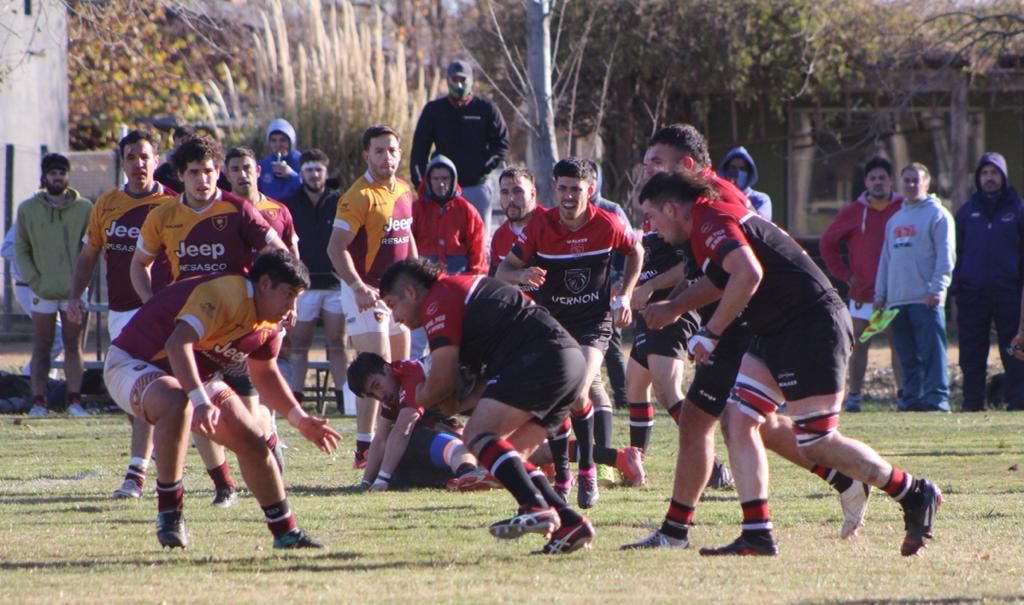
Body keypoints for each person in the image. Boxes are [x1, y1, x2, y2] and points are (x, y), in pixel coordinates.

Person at [635, 169, 942, 557]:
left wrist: (710, 332)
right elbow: (719, 278)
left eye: (653, 216)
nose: (651, 226)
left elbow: (748, 273)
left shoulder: (710, 218)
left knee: (817, 442)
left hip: (812, 325)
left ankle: (913, 492)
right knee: (738, 418)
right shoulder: (704, 222)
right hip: (777, 330)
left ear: (672, 207)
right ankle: (757, 533)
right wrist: (675, 306)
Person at [621, 124, 871, 550]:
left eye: (656, 163)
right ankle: (841, 481)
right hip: (746, 318)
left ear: (685, 165)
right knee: (758, 425)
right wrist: (673, 304)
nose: (648, 172)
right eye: (646, 164)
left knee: (707, 421)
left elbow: (736, 272)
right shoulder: (684, 201)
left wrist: (702, 325)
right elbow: (708, 268)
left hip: (743, 321)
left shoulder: (712, 201)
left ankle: (679, 531)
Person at [103, 249, 340, 549]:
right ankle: (170, 512)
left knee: (253, 440)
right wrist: (200, 400)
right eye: (289, 294)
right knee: (178, 402)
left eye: (298, 298)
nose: (293, 307)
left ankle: (285, 531)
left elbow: (264, 374)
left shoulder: (268, 325)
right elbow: (178, 344)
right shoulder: (226, 292)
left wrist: (299, 418)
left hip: (191, 376)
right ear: (264, 284)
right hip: (132, 362)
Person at [380, 258, 595, 554]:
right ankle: (570, 523)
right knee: (511, 454)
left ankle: (533, 506)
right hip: (567, 360)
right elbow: (476, 389)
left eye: (392, 305)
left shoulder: (438, 298)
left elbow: (440, 383)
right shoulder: (460, 293)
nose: (395, 317)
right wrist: (451, 401)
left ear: (410, 291)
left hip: (541, 357)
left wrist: (419, 396)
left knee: (477, 437)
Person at [132, 135, 288, 506]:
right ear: (181, 176)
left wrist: (285, 294)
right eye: (194, 173)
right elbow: (139, 264)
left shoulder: (237, 209)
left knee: (248, 418)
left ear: (219, 173)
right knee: (196, 402)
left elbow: (277, 251)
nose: (203, 180)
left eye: (209, 172)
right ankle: (224, 485)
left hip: (238, 327)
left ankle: (266, 426)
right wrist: (152, 303)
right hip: (190, 329)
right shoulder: (163, 215)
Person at [496, 157, 645, 508]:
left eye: (575, 189)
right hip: (552, 325)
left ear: (589, 191)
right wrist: (522, 276)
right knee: (564, 398)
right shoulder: (539, 227)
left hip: (593, 325)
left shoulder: (607, 224)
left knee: (578, 390)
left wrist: (625, 294)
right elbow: (503, 269)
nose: (567, 196)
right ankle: (563, 474)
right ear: (553, 189)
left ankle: (588, 470)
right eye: (561, 188)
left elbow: (636, 249)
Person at [66, 130, 177, 498]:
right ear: (123, 162)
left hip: (158, 312)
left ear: (156, 161)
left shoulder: (173, 204)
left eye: (145, 156)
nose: (139, 163)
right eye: (131, 157)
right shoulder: (106, 205)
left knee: (148, 390)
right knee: (134, 398)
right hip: (120, 311)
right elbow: (88, 256)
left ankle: (136, 475)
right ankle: (165, 457)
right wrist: (76, 296)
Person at [327, 125, 415, 469]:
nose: (386, 157)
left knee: (399, 369)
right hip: (365, 293)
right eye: (379, 151)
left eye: (392, 150)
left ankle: (389, 442)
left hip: (399, 295)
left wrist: (420, 279)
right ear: (366, 155)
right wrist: (358, 286)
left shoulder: (406, 190)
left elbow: (407, 241)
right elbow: (335, 249)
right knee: (374, 366)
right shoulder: (358, 196)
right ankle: (363, 448)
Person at [820, 156, 904, 412]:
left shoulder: (904, 208)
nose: (878, 183)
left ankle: (903, 396)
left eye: (882, 178)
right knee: (857, 347)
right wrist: (844, 274)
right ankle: (854, 396)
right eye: (872, 178)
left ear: (891, 181)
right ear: (866, 181)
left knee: (898, 345)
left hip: (894, 294)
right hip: (863, 293)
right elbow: (827, 242)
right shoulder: (853, 212)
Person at [346, 352, 497, 492]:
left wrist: (382, 478)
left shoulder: (411, 374)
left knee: (410, 439)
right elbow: (380, 439)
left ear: (386, 369)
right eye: (372, 394)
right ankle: (469, 472)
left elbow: (402, 430)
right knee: (397, 464)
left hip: (481, 424)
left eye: (377, 385)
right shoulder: (392, 388)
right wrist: (366, 482)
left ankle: (469, 473)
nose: (380, 396)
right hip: (462, 439)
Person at [14, 153, 92, 418]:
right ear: (44, 176)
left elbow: (90, 249)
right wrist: (35, 281)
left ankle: (74, 401)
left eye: (62, 172)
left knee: (73, 345)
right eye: (53, 173)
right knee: (42, 344)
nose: (57, 177)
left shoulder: (85, 208)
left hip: (75, 292)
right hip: (43, 291)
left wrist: (78, 288)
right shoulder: (27, 209)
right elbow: (20, 248)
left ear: (68, 176)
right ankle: (39, 401)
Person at [875, 163, 955, 413]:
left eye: (915, 180)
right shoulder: (895, 220)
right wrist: (881, 294)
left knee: (932, 354)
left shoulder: (938, 215)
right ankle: (911, 399)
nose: (910, 185)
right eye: (906, 180)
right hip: (897, 300)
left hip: (926, 298)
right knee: (907, 357)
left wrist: (937, 289)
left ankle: (936, 400)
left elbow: (946, 256)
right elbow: (886, 259)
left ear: (926, 183)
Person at [952, 152, 1024, 411]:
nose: (989, 178)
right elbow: (956, 253)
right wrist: (958, 286)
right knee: (971, 353)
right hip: (973, 294)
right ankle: (972, 404)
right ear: (978, 178)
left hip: (1009, 293)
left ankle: (1018, 402)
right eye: (985, 173)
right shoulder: (966, 212)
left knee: (1015, 351)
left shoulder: (1017, 209)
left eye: (994, 173)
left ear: (1003, 177)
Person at [411, 60, 510, 236]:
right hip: (442, 192)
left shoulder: (486, 109)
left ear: (471, 81)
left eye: (463, 80)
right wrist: (421, 183)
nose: (458, 84)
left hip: (476, 187)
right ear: (447, 80)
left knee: (478, 238)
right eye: (454, 79)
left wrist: (484, 167)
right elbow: (419, 149)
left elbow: (501, 143)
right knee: (443, 239)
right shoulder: (434, 110)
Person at [283, 149, 349, 413]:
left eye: (318, 169)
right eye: (309, 169)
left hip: (334, 283)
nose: (314, 175)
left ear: (326, 171)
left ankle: (346, 402)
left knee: (337, 343)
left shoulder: (339, 201)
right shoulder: (290, 203)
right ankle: (296, 402)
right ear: (301, 173)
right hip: (305, 285)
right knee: (299, 346)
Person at [409, 154, 487, 357]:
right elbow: (406, 250)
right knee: (415, 344)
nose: (441, 184)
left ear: (453, 180)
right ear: (427, 180)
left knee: (455, 344)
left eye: (445, 178)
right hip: (422, 289)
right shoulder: (415, 209)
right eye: (435, 179)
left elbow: (477, 254)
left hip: (455, 290)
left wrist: (473, 287)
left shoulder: (467, 211)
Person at [587, 159, 629, 416]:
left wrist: (619, 278)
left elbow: (630, 248)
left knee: (612, 342)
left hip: (609, 286)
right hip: (581, 291)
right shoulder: (568, 214)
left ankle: (623, 396)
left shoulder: (611, 210)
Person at [2, 221, 64, 373]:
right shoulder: (28, 214)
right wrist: (37, 251)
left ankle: (48, 380)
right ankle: (29, 377)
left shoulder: (68, 215)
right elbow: (6, 249)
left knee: (56, 336)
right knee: (56, 334)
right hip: (28, 286)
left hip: (55, 287)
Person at [489, 166, 539, 276]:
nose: (511, 199)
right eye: (505, 192)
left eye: (517, 191)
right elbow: (494, 283)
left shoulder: (550, 223)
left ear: (532, 193)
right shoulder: (499, 236)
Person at [717, 146, 772, 221]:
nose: (737, 173)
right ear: (725, 170)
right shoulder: (716, 198)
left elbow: (762, 226)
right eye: (733, 168)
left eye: (742, 169)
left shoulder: (761, 200)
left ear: (749, 173)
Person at [257, 118, 302, 201]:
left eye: (283, 140)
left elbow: (312, 187)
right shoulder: (262, 165)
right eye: (273, 140)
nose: (278, 144)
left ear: (291, 141)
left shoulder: (302, 162)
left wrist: (291, 174)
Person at [154, 125, 195, 194]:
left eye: (185, 142)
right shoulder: (164, 171)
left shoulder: (199, 169)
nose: (182, 145)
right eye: (179, 142)